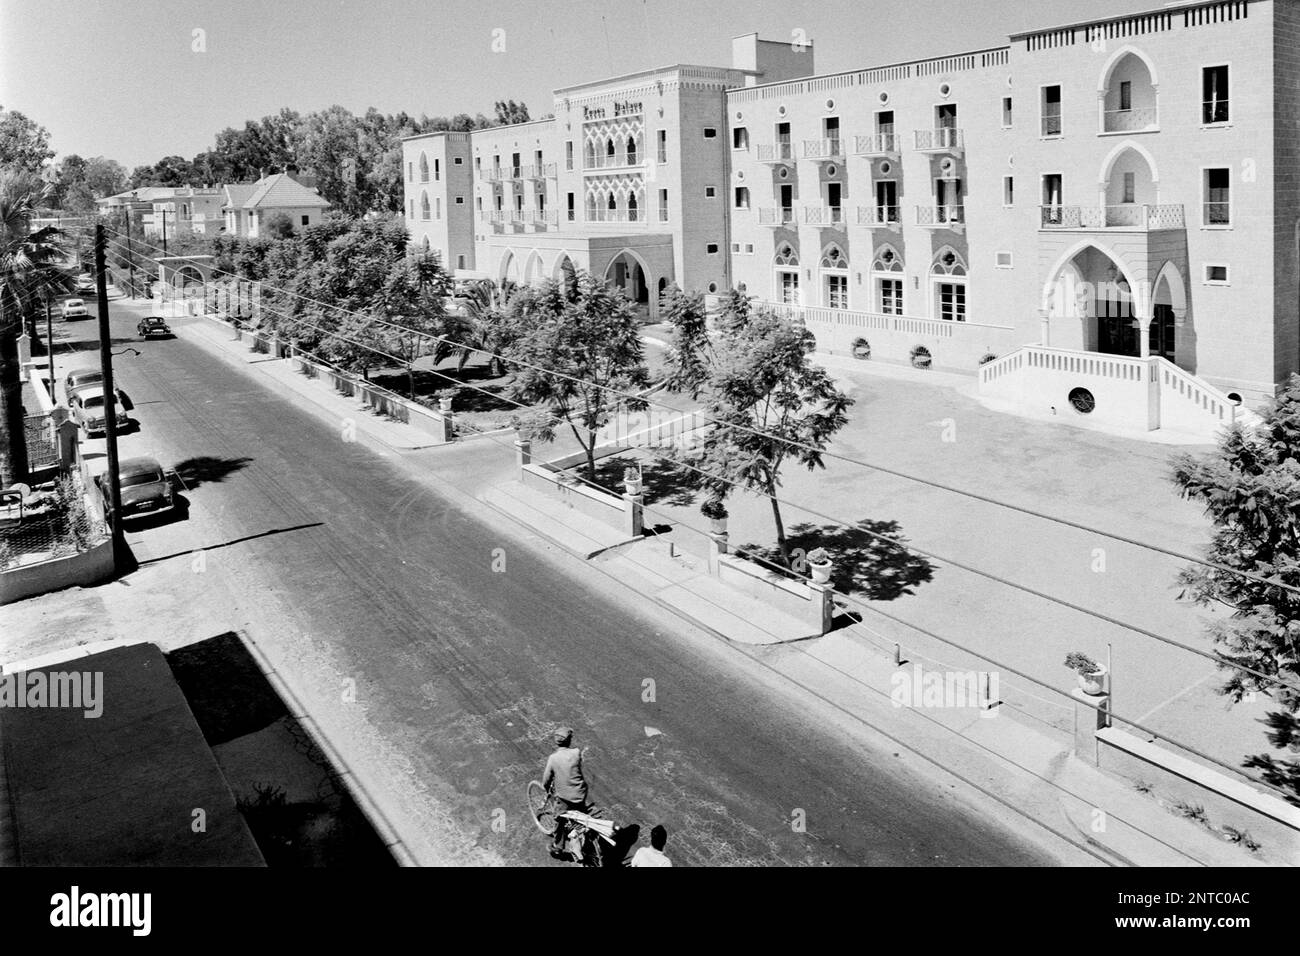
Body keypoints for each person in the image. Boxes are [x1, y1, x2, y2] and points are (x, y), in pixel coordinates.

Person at [542, 726, 590, 859]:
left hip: (565, 797)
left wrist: (547, 790)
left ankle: (558, 847)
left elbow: (546, 780)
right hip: (580, 792)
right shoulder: (576, 752)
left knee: (559, 819)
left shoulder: (553, 758)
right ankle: (582, 838)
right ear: (569, 741)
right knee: (581, 816)